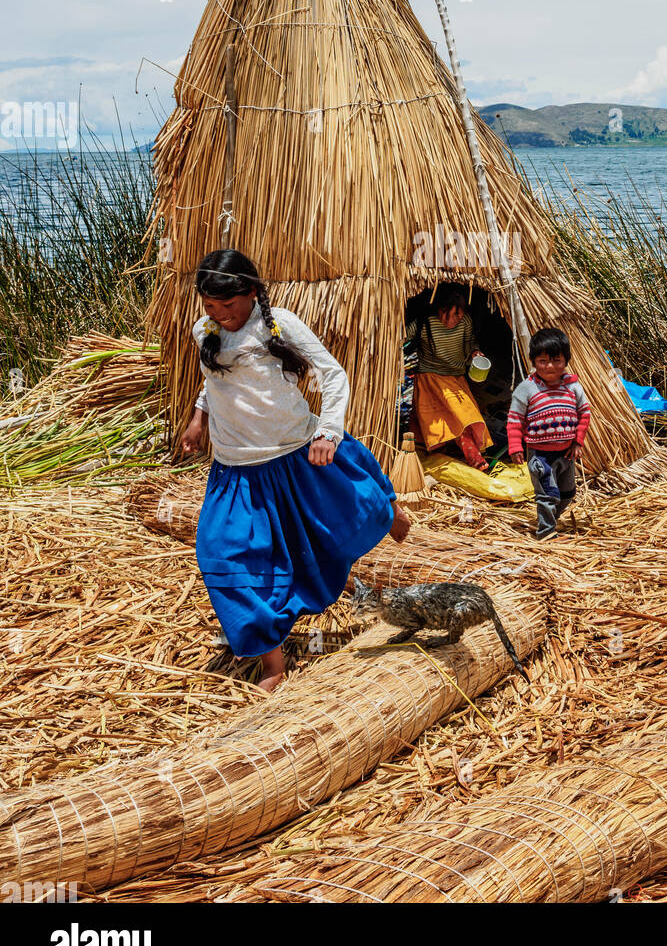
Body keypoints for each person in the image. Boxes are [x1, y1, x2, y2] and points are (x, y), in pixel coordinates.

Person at [181, 248, 410, 693]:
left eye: (228, 305)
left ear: (251, 292)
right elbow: (216, 381)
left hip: (294, 454)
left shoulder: (278, 324)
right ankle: (273, 663)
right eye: (210, 306)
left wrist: (328, 432)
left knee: (350, 510)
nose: (220, 315)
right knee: (220, 554)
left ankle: (388, 511)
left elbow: (332, 374)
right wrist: (198, 416)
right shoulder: (203, 330)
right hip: (236, 470)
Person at [507, 327, 591, 541]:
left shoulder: (573, 387)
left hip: (566, 453)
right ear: (533, 361)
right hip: (540, 455)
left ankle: (550, 519)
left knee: (568, 493)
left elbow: (585, 412)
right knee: (547, 495)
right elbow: (515, 419)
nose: (550, 366)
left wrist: (578, 441)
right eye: (543, 361)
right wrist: (516, 446)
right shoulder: (527, 388)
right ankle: (546, 532)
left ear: (566, 360)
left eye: (556, 360)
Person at [404, 284, 493, 472]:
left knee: (465, 416)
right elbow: (399, 337)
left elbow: (469, 345)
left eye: (457, 315)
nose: (450, 319)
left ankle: (453, 450)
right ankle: (472, 456)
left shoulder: (466, 323)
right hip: (430, 377)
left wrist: (475, 353)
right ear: (436, 307)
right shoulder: (424, 322)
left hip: (456, 377)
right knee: (449, 419)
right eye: (445, 312)